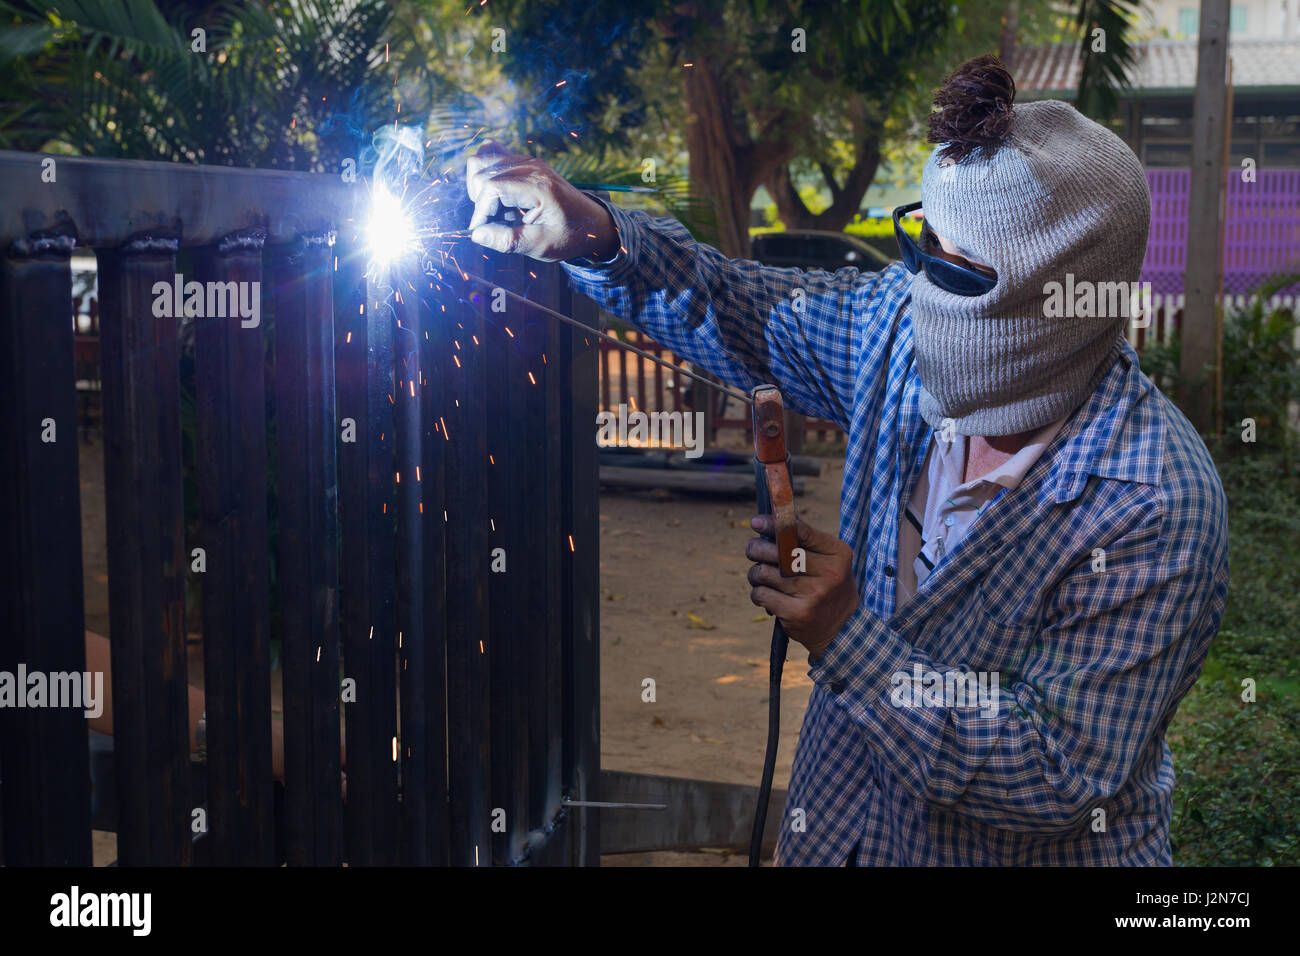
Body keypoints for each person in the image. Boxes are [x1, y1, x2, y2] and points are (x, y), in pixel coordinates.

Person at [465, 54, 1229, 866]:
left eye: (953, 266)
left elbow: (1055, 767)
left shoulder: (1152, 502)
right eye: (922, 241)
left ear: (1058, 298)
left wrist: (847, 636)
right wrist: (589, 230)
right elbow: (738, 308)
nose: (919, 285)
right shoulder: (898, 330)